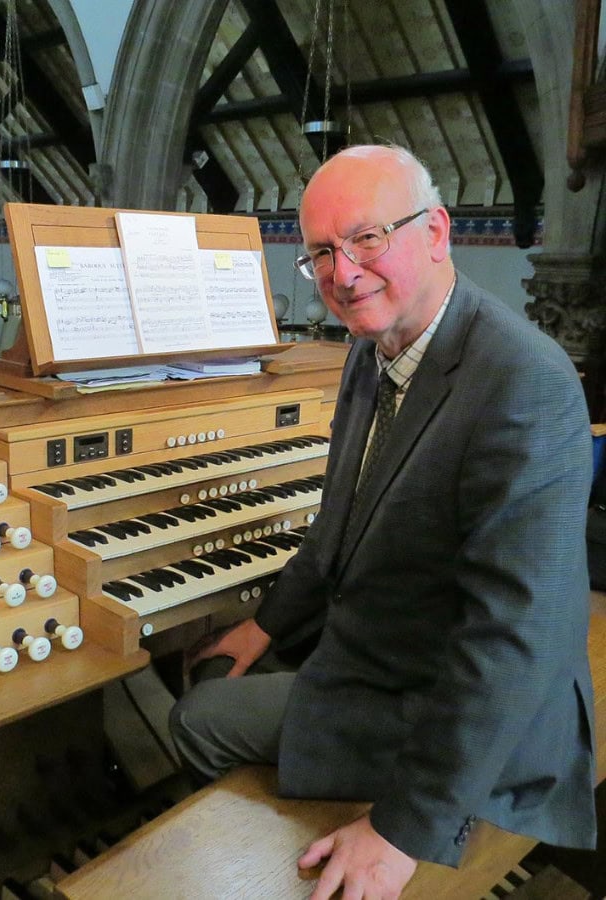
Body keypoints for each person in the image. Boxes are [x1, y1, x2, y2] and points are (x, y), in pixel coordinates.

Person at [169, 144, 597, 899]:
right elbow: (336, 530)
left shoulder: (523, 381)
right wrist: (266, 625)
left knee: (198, 718)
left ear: (435, 233)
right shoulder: (373, 352)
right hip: (389, 649)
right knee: (222, 661)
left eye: (368, 238)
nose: (343, 271)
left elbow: (511, 640)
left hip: (460, 701)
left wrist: (403, 828)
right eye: (322, 254)